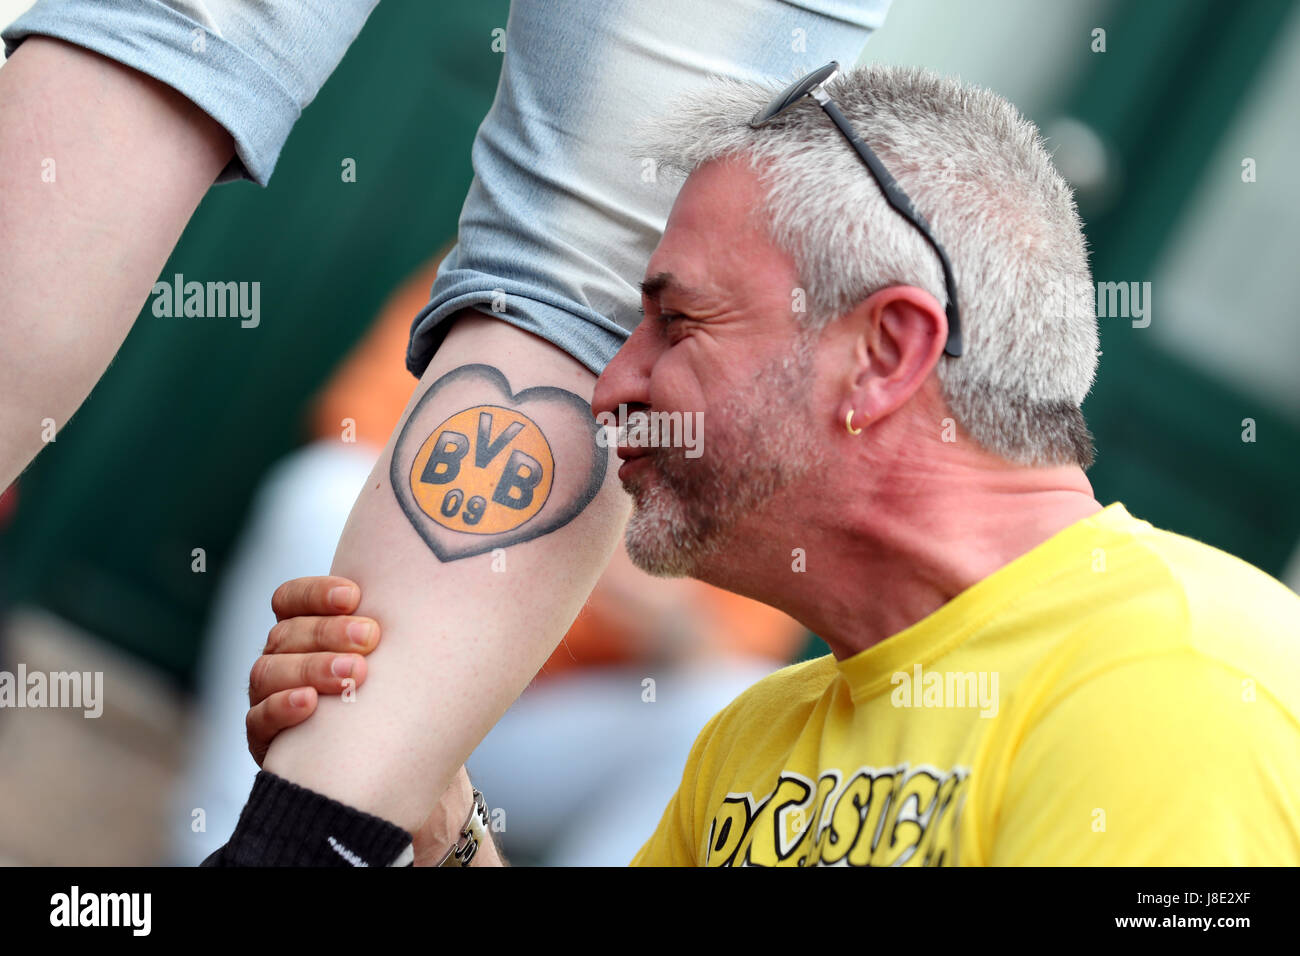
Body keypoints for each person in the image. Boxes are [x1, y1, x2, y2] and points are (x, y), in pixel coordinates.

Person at [245, 62, 1300, 865]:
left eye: (677, 321)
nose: (611, 387)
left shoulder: (1180, 687)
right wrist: (434, 823)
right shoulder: (758, 735)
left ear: (885, 353)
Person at [2, 0, 890, 864]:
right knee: (585, 263)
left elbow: (716, 650)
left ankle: (305, 840)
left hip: (546, 727)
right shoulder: (702, 350)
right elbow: (351, 435)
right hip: (415, 662)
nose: (638, 371)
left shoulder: (770, 395)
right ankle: (277, 841)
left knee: (173, 25)